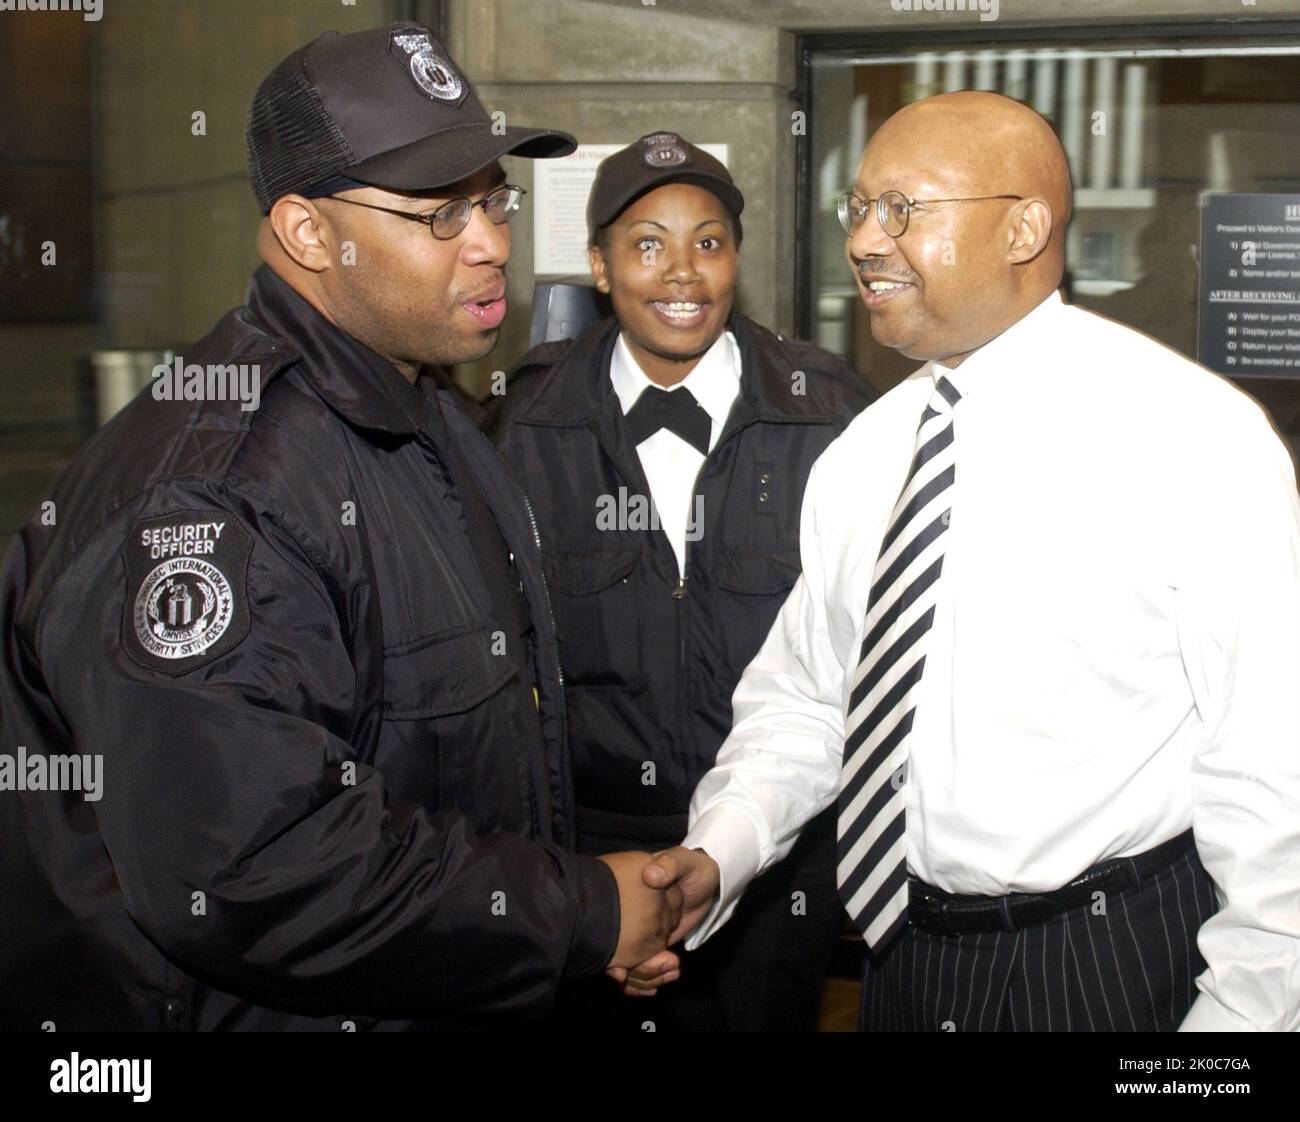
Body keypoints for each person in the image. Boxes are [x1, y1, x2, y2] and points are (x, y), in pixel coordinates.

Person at [0, 22, 681, 1032]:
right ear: (308, 234)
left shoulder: (435, 412)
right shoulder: (210, 497)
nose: (491, 240)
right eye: (438, 214)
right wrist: (577, 911)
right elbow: (252, 871)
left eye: (492, 198)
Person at [627, 91, 1300, 1032]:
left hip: (1114, 970)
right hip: (903, 964)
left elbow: (1272, 779)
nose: (864, 240)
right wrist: (721, 850)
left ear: (1025, 226)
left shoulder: (1194, 440)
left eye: (903, 209)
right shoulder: (864, 452)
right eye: (857, 208)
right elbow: (811, 699)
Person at [488, 132, 874, 1030]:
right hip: (590, 864)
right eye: (647, 244)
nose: (683, 274)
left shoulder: (833, 415)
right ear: (598, 265)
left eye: (709, 242)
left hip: (781, 861)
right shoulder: (520, 427)